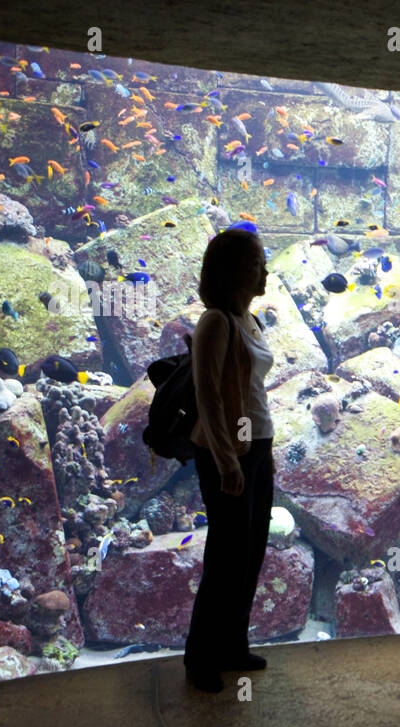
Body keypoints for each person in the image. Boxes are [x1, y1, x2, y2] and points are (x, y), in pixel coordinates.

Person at [183, 229, 277, 693]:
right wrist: (226, 462)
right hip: (229, 452)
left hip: (259, 445)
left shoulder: (249, 320)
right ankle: (200, 657)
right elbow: (209, 396)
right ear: (234, 268)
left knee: (251, 551)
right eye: (257, 260)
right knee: (224, 556)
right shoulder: (215, 322)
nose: (265, 269)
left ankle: (233, 645)